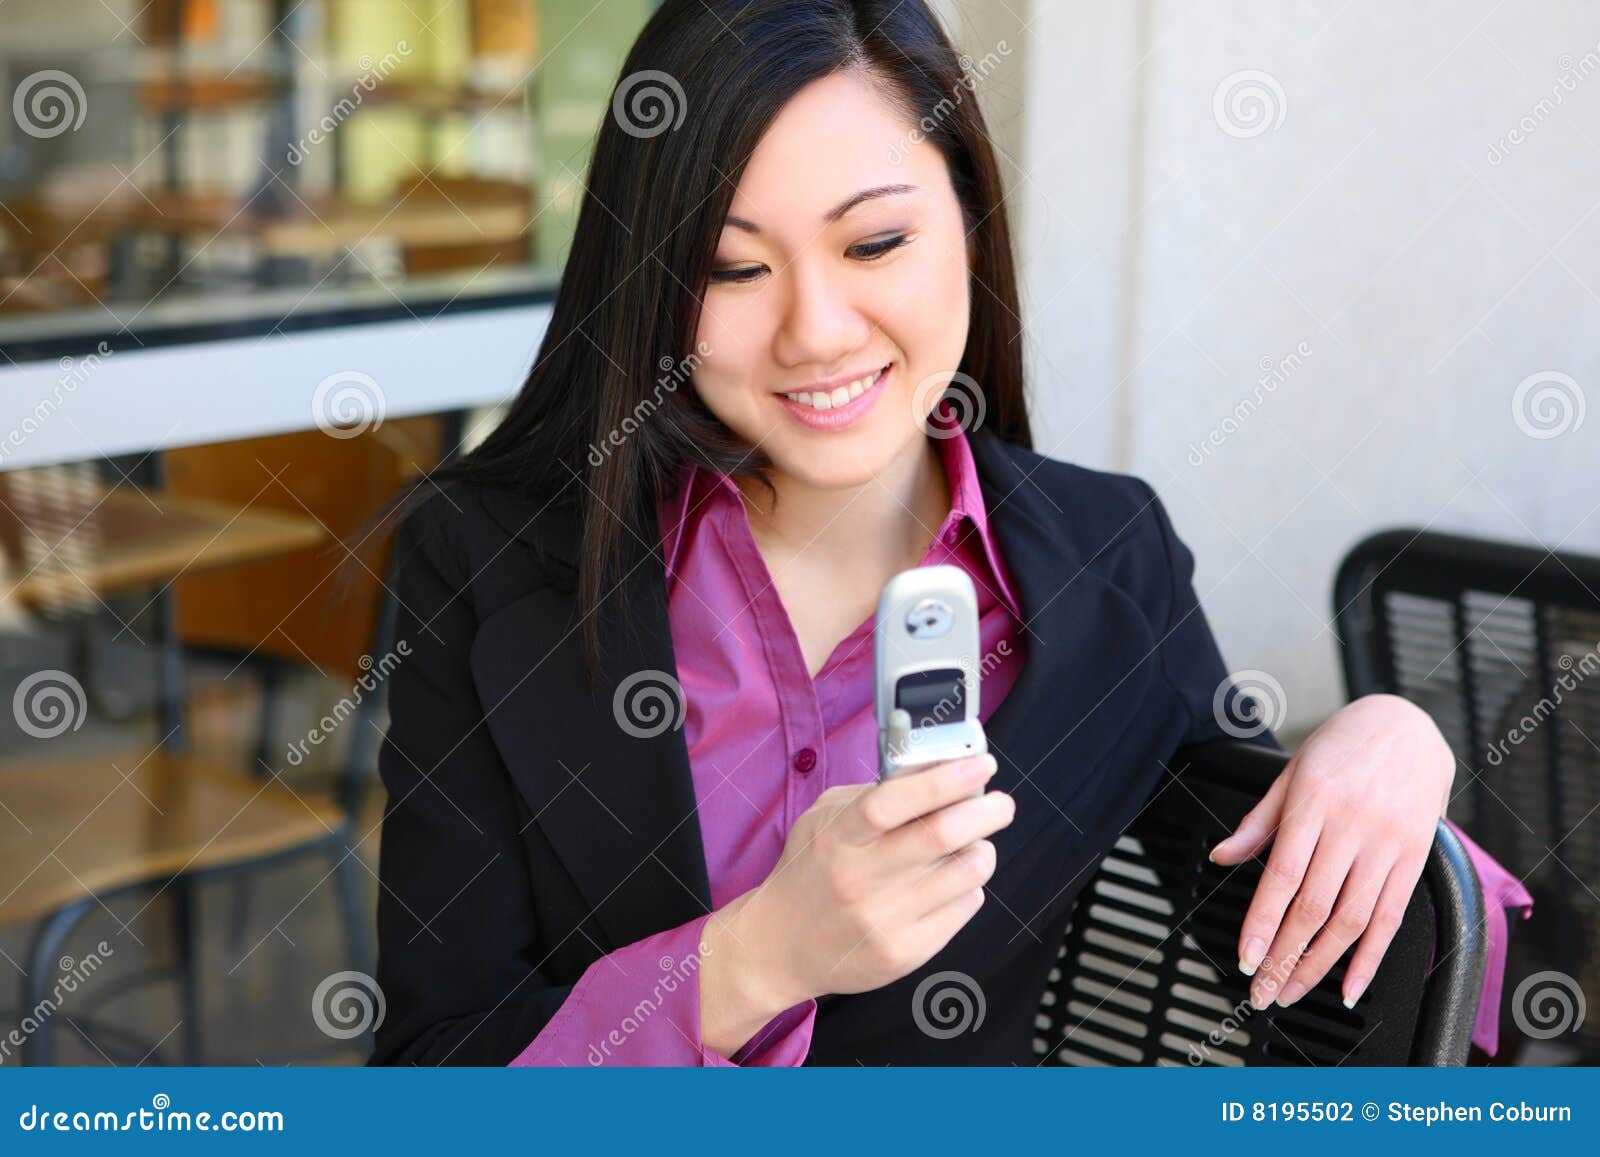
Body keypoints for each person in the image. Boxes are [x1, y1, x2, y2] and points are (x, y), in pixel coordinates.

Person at [364, 0, 1519, 1067]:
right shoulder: (486, 555)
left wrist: (1390, 745)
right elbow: (428, 1068)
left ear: (967, 221)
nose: (815, 331)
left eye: (873, 245)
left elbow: (1312, 979)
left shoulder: (1105, 558)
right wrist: (756, 958)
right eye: (731, 265)